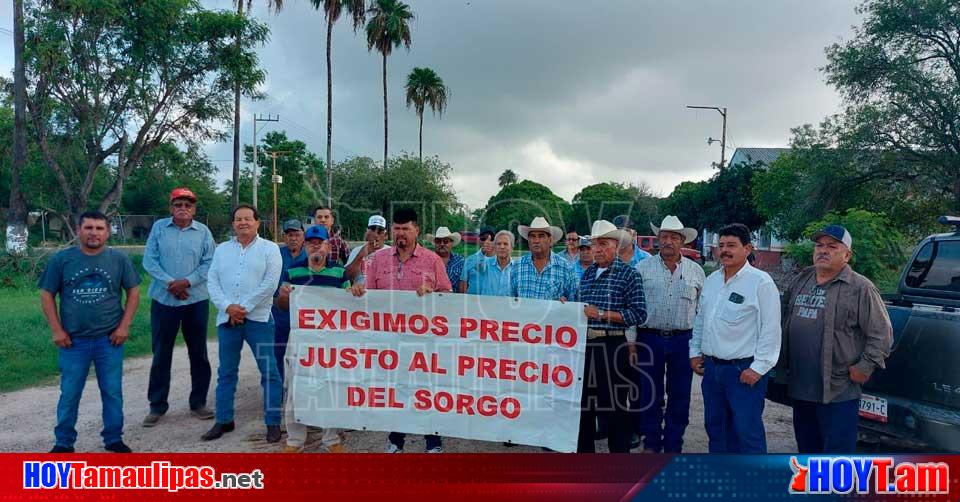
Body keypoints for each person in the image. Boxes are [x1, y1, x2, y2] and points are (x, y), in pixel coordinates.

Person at [781, 225, 892, 453]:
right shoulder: (802, 279)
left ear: (847, 255)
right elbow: (782, 318)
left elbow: (881, 333)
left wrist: (866, 366)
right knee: (807, 449)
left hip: (838, 388)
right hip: (801, 385)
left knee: (837, 454)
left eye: (832, 246)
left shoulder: (861, 287)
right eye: (819, 245)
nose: (823, 250)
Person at [349, 207, 452, 453]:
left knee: (426, 388)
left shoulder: (432, 260)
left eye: (406, 228)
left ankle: (433, 441)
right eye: (397, 229)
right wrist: (357, 290)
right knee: (395, 389)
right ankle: (395, 439)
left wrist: (433, 293)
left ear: (416, 230)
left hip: (424, 341)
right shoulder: (377, 260)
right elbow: (365, 291)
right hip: (390, 340)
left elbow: (449, 296)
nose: (401, 233)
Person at [39, 211, 141, 453]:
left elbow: (134, 292)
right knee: (70, 393)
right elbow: (46, 294)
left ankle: (114, 439)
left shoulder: (118, 259)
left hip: (110, 340)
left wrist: (124, 326)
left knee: (112, 391)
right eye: (88, 228)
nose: (93, 233)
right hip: (73, 342)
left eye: (99, 228)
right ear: (78, 230)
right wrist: (57, 330)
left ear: (107, 232)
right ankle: (63, 443)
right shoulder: (62, 260)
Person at [689, 223, 781, 453]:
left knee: (746, 431)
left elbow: (771, 329)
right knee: (715, 428)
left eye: (731, 245)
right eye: (721, 245)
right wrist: (694, 352)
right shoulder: (712, 281)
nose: (724, 251)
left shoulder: (761, 282)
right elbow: (701, 320)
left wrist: (759, 368)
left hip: (743, 371)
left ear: (747, 248)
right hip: (712, 370)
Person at [203, 204, 283, 443]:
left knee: (269, 372)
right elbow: (212, 281)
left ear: (258, 222)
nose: (243, 223)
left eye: (248, 219)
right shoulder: (222, 250)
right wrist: (228, 307)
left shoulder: (270, 249)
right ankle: (224, 419)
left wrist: (244, 308)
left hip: (258, 320)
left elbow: (270, 283)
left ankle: (273, 422)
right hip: (227, 320)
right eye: (239, 219)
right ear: (233, 224)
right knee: (226, 372)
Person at [142, 188, 216, 427]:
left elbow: (209, 262)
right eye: (178, 204)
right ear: (171, 206)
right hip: (164, 300)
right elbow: (149, 260)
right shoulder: (159, 229)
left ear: (194, 209)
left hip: (195, 300)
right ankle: (157, 405)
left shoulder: (203, 232)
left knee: (199, 353)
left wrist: (187, 282)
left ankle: (199, 403)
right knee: (161, 353)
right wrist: (170, 284)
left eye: (188, 205)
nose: (183, 208)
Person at [274, 225, 351, 453]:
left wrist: (353, 291)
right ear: (306, 245)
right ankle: (295, 440)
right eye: (311, 242)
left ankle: (331, 438)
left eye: (320, 242)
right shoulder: (293, 271)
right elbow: (282, 306)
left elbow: (349, 305)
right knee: (295, 387)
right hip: (301, 339)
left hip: (330, 341)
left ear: (328, 245)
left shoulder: (339, 272)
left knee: (331, 387)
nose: (316, 246)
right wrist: (285, 296)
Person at [633, 215, 705, 453]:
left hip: (683, 339)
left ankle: (674, 443)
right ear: (658, 240)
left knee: (680, 394)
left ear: (683, 241)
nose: (668, 241)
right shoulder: (642, 268)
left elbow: (703, 311)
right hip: (648, 337)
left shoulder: (696, 271)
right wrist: (631, 343)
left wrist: (700, 346)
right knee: (649, 393)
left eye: (674, 237)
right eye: (664, 236)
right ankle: (651, 443)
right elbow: (633, 306)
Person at [576, 220, 647, 453]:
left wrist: (603, 314)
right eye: (594, 244)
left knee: (615, 407)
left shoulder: (629, 274)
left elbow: (639, 313)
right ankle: (585, 460)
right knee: (583, 405)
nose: (596, 249)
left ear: (615, 246)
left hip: (613, 344)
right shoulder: (587, 275)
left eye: (602, 244)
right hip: (586, 345)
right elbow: (581, 308)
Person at [510, 217, 578, 301]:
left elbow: (575, 300)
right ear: (528, 241)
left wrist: (566, 302)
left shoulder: (566, 267)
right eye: (532, 236)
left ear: (550, 240)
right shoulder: (517, 266)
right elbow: (511, 299)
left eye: (541, 236)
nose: (536, 240)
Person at [272, 219, 306, 382]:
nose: (293, 238)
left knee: (304, 356)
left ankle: (301, 390)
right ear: (284, 237)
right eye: (289, 234)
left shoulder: (311, 254)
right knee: (277, 354)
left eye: (297, 234)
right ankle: (277, 391)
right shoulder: (275, 254)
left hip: (305, 314)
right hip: (279, 313)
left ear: (303, 235)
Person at [344, 215, 391, 283]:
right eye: (373, 230)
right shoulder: (357, 250)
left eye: (379, 231)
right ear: (367, 232)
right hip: (360, 292)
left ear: (385, 235)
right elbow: (345, 276)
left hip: (382, 292)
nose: (375, 234)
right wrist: (360, 255)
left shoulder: (391, 252)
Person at [474, 230, 516, 297]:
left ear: (512, 248)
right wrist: (483, 251)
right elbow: (475, 265)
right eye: (498, 244)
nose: (502, 247)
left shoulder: (517, 267)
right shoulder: (486, 263)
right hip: (487, 306)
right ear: (495, 247)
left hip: (508, 306)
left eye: (505, 244)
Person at [426, 226, 464, 292]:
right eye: (438, 241)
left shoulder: (460, 261)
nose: (442, 244)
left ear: (451, 243)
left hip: (455, 300)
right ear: (435, 243)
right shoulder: (427, 260)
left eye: (446, 241)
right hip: (432, 299)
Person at [459, 226, 496, 294]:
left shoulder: (500, 260)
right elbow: (462, 286)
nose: (487, 241)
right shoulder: (470, 259)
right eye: (483, 238)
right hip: (472, 302)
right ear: (478, 240)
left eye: (491, 238)